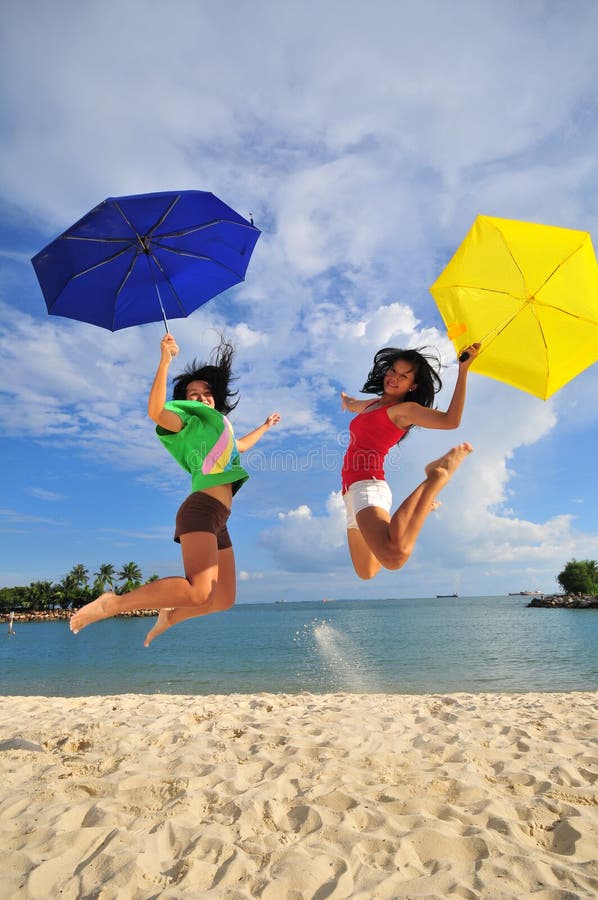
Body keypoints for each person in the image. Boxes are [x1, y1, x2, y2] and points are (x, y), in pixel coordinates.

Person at [70, 332, 280, 645]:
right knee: (198, 591)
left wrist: (264, 426)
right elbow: (156, 411)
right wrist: (165, 360)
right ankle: (111, 604)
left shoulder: (218, 427)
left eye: (205, 392)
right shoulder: (189, 422)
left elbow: (240, 446)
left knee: (222, 599)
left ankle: (170, 615)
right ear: (184, 403)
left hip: (220, 518)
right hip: (201, 511)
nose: (201, 398)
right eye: (192, 395)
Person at [340, 343, 480, 579]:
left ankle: (436, 475)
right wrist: (345, 399)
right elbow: (354, 405)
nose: (394, 378)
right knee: (367, 571)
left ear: (412, 385)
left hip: (368, 486)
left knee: (393, 558)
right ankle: (422, 507)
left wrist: (463, 371)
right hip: (349, 494)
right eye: (393, 371)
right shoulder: (373, 404)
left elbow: (450, 420)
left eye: (403, 376)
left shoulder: (404, 410)